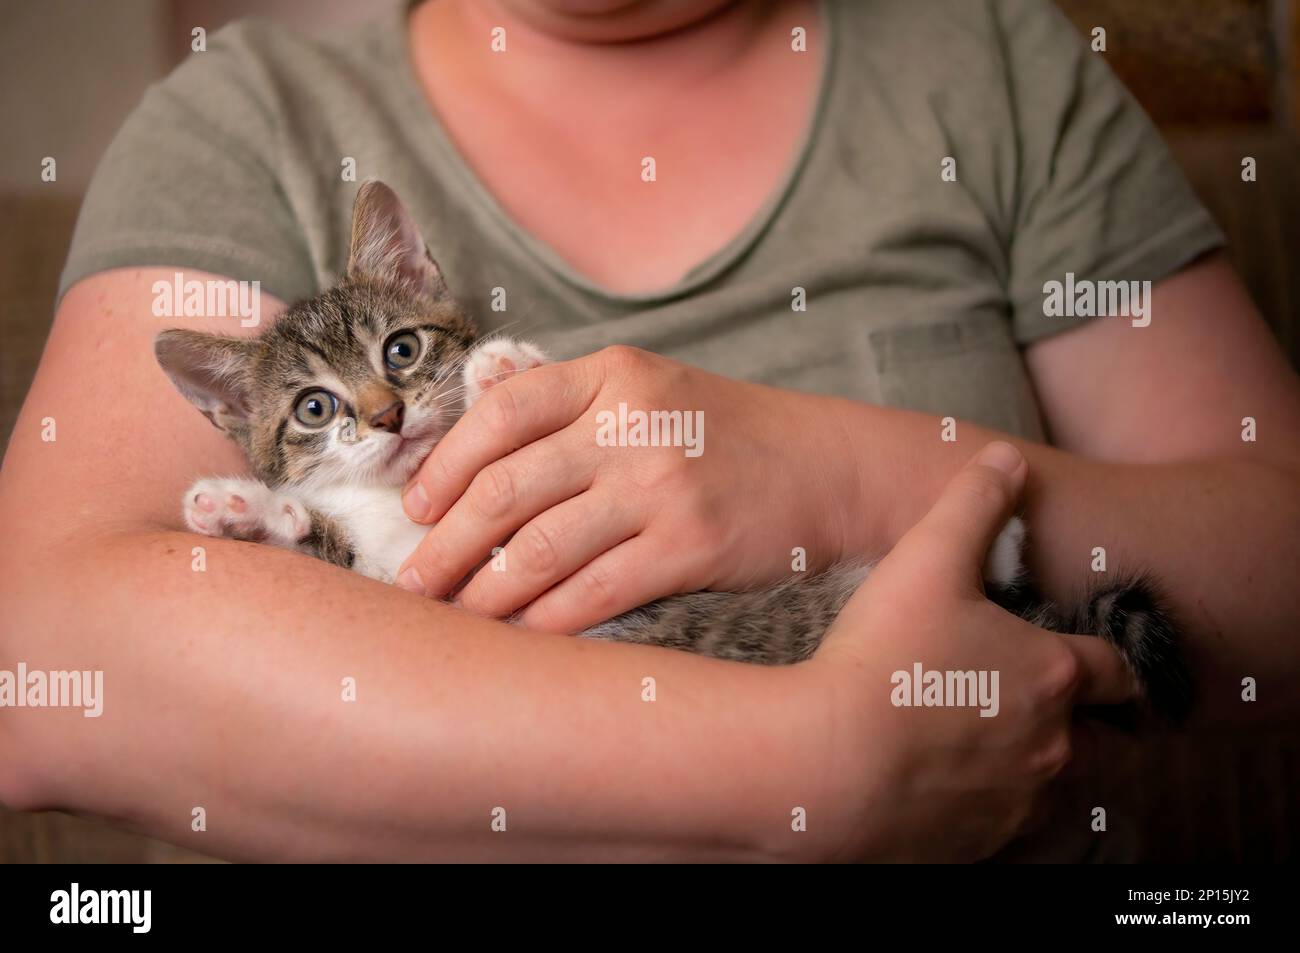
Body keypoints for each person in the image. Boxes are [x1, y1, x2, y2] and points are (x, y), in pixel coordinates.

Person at [1, 0, 1296, 861]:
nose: (388, 404)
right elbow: (43, 671)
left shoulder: (988, 58)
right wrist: (806, 767)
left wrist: (842, 476)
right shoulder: (246, 121)